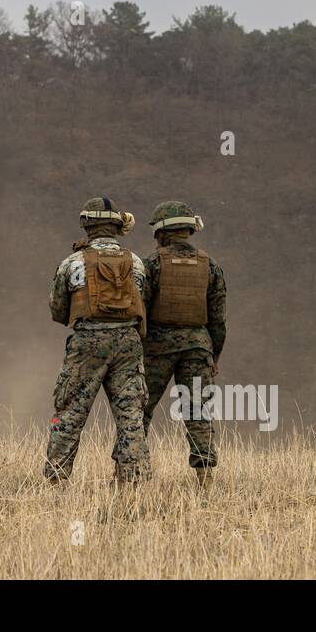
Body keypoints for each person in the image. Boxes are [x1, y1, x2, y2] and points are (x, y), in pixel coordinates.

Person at [45, 196, 148, 484]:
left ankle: (56, 480)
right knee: (131, 415)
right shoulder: (136, 262)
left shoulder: (72, 261)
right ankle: (132, 482)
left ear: (86, 226)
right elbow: (143, 302)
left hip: (88, 342)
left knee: (70, 412)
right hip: (128, 341)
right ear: (116, 227)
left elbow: (58, 309)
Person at [140, 200, 227, 486]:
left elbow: (139, 309)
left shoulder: (150, 264)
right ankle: (205, 480)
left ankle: (130, 475)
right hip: (198, 348)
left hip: (157, 348)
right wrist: (213, 355)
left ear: (161, 232)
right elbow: (218, 319)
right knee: (198, 412)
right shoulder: (210, 264)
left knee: (139, 410)